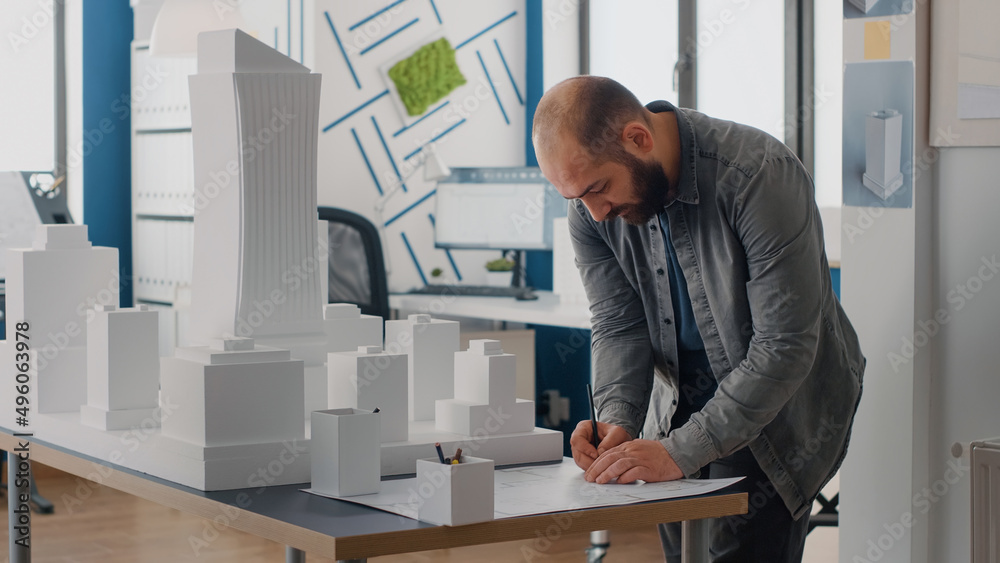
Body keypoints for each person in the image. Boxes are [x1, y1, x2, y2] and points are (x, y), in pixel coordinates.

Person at [532, 75, 865, 562]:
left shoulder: (757, 174)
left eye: (598, 189)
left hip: (775, 400)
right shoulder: (590, 207)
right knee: (683, 550)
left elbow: (785, 346)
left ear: (638, 139)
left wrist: (680, 452)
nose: (595, 213)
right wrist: (617, 420)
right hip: (677, 399)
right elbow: (618, 324)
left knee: (738, 550)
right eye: (575, 198)